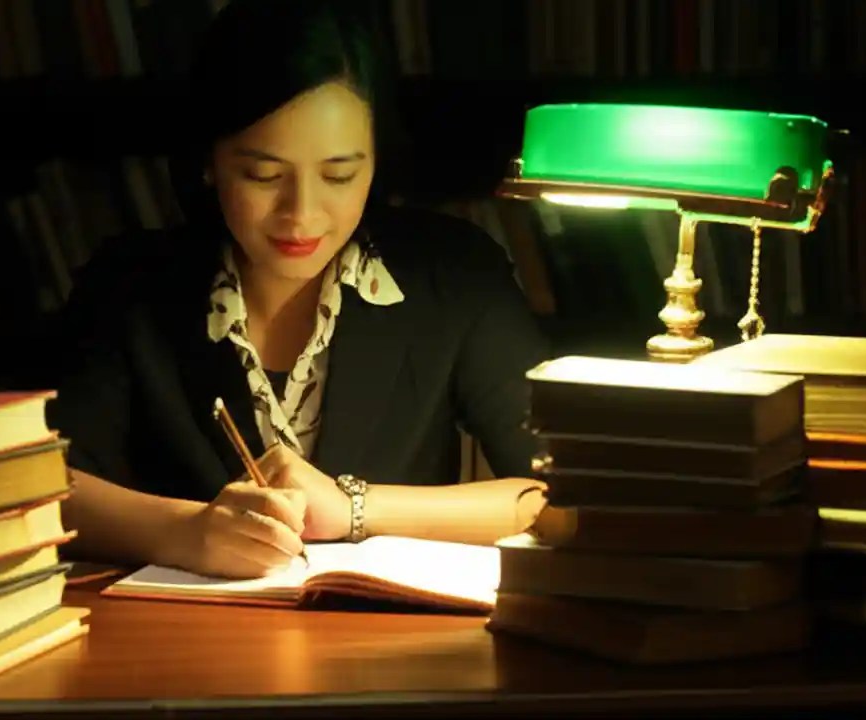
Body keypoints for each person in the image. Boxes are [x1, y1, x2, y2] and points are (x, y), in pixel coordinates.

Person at [45, 0, 551, 579]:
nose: (301, 215)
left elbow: (560, 492)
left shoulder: (454, 277)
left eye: (339, 175)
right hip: (184, 644)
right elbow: (47, 488)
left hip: (387, 642)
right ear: (208, 161)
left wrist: (354, 508)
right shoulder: (130, 287)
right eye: (263, 175)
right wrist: (184, 532)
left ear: (376, 160)